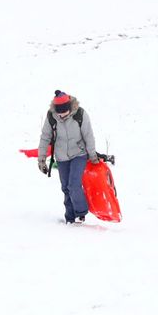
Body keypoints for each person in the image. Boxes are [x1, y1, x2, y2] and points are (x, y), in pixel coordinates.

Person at [37, 91, 101, 224]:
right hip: (61, 156)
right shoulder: (52, 116)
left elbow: (88, 136)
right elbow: (45, 137)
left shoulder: (80, 114)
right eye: (59, 113)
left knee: (73, 185)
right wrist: (41, 159)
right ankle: (70, 218)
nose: (62, 115)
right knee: (65, 187)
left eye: (65, 112)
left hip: (79, 153)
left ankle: (81, 213)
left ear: (69, 108)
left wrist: (93, 155)